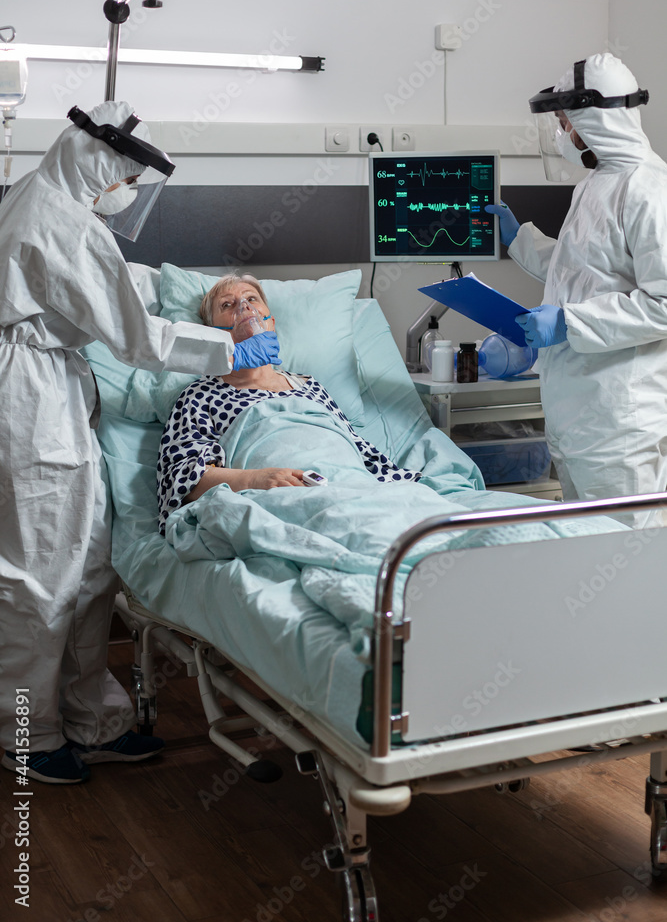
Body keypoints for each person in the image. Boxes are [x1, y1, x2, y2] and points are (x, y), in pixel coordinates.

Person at [0, 101, 280, 784]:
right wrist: (230, 350)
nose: (124, 193)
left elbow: (108, 303)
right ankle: (27, 735)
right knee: (41, 576)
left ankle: (93, 719)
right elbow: (137, 338)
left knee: (90, 567)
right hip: (30, 400)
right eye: (124, 176)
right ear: (99, 162)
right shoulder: (60, 221)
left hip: (54, 392)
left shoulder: (42, 196)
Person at [485, 52, 667, 524]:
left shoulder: (648, 190)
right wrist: (518, 238)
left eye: (567, 122)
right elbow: (581, 272)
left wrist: (569, 321)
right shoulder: (596, 184)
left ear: (595, 118)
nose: (565, 134)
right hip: (578, 415)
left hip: (620, 421)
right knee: (583, 552)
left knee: (625, 558)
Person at [157, 273, 422, 531]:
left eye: (252, 298)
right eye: (227, 305)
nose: (244, 307)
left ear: (271, 321)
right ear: (211, 334)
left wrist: (405, 487)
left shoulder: (310, 385)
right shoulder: (201, 395)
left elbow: (358, 450)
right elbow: (182, 476)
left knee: (416, 522)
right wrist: (255, 479)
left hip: (354, 486)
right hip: (280, 495)